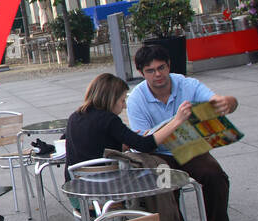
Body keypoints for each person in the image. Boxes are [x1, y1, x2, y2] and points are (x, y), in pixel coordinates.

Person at [126, 44, 238, 221]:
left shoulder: (187, 84)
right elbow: (143, 143)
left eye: (161, 68)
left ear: (169, 65)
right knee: (164, 184)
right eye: (150, 71)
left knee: (215, 176)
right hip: (157, 152)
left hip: (187, 146)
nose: (158, 74)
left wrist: (228, 102)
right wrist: (175, 122)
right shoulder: (136, 99)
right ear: (141, 72)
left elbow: (217, 100)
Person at [64, 72, 193, 169]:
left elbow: (91, 149)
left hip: (77, 190)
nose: (124, 106)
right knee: (153, 169)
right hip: (103, 187)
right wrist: (177, 121)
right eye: (122, 100)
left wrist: (125, 145)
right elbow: (145, 145)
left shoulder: (75, 116)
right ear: (111, 99)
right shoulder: (109, 120)